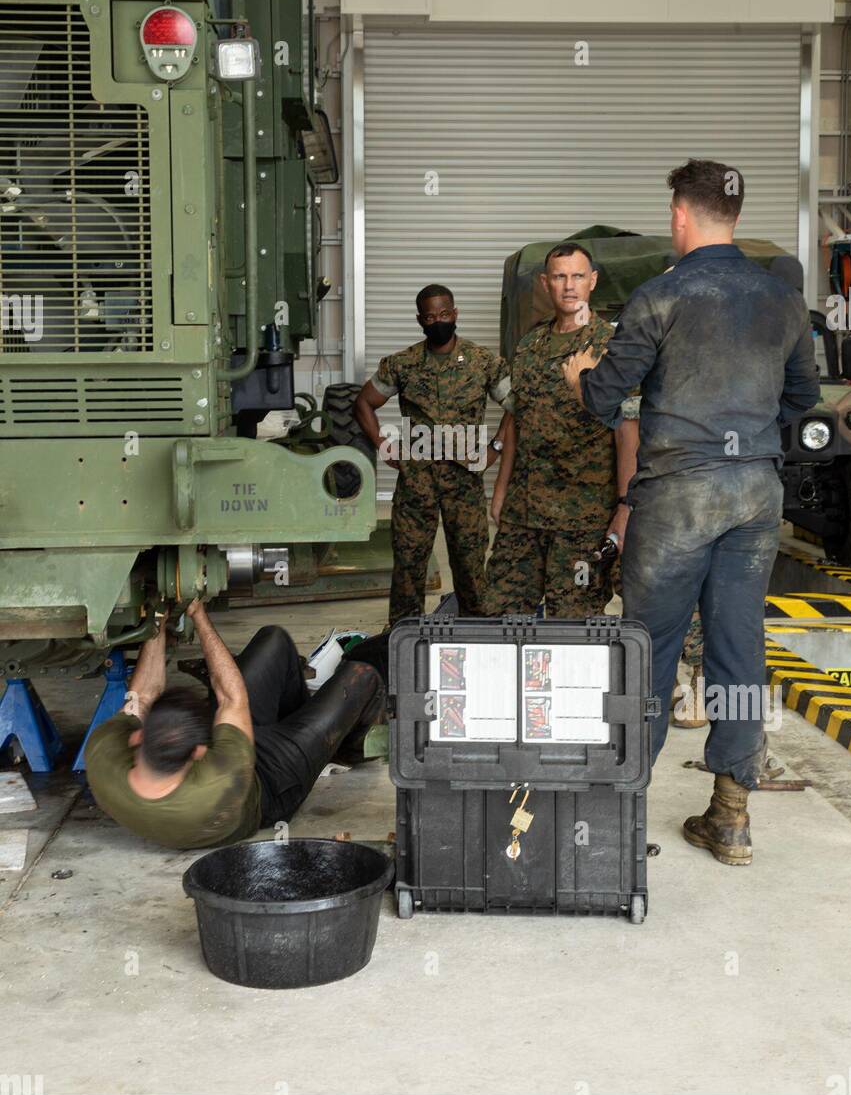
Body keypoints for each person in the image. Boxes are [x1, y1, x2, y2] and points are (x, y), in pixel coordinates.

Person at [562, 158, 820, 865]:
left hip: (679, 494)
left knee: (648, 648)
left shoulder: (660, 295)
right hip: (755, 492)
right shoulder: (782, 300)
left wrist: (581, 375)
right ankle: (731, 814)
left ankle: (619, 817)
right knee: (739, 646)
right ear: (732, 216)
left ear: (680, 215)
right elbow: (802, 398)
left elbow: (604, 398)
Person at [85, 601, 384, 850]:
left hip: (235, 746)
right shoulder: (219, 777)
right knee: (362, 674)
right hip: (270, 785)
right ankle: (344, 750)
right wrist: (197, 613)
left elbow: (143, 696)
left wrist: (158, 618)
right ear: (201, 752)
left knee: (274, 639)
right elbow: (231, 697)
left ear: (137, 737)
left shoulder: (102, 755)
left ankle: (306, 733)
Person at [484, 244, 639, 617]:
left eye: (578, 276)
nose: (569, 286)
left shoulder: (613, 347)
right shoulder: (530, 344)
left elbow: (628, 432)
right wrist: (501, 490)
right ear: (545, 282)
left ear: (593, 281)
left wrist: (625, 506)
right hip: (524, 512)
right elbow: (518, 417)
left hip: (583, 518)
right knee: (498, 613)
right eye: (559, 276)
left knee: (574, 623)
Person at [354, 284, 511, 625]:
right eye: (430, 317)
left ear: (455, 314)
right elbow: (364, 403)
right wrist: (383, 443)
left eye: (444, 314)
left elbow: (517, 406)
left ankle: (475, 635)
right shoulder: (403, 364)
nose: (438, 321)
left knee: (470, 566)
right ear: (420, 320)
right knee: (409, 566)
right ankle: (402, 636)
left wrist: (496, 447)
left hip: (464, 481)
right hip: (417, 483)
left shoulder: (483, 362)